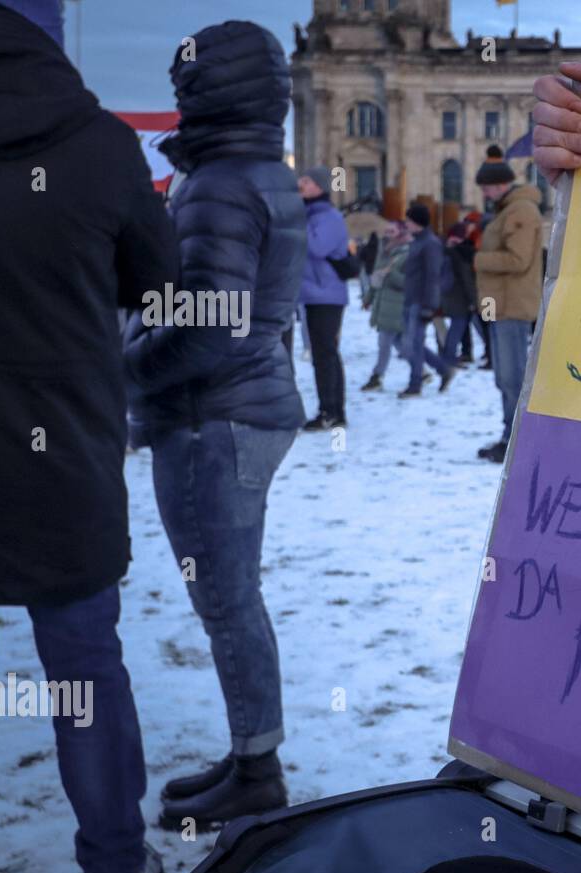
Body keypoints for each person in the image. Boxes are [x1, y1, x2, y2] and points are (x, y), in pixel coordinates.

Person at [0, 0, 176, 873]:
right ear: (52, 33)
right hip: (61, 459)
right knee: (85, 674)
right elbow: (159, 284)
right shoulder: (101, 143)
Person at [124, 19, 306, 831]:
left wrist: (123, 370)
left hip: (214, 417)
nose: (178, 96)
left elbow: (210, 324)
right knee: (234, 598)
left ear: (209, 90)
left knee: (228, 601)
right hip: (246, 404)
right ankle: (248, 754)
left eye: (185, 83)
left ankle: (257, 771)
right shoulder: (259, 169)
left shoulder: (222, 181)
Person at [473, 161, 544, 463]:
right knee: (504, 377)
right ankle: (509, 436)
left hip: (512, 306)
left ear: (501, 184)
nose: (485, 194)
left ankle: (517, 442)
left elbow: (518, 260)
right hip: (500, 305)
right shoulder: (507, 210)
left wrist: (477, 258)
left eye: (487, 187)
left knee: (512, 378)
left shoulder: (521, 211)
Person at [298, 165, 350, 430]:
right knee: (323, 354)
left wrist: (298, 223)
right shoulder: (312, 214)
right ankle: (331, 409)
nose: (301, 184)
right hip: (314, 293)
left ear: (319, 186)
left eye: (305, 181)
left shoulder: (328, 216)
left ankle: (332, 411)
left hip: (326, 294)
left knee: (326, 354)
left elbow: (318, 248)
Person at [400, 202, 455, 398]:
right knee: (412, 344)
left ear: (417, 222)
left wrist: (429, 306)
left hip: (420, 302)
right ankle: (443, 370)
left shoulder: (430, 243)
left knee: (413, 344)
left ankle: (415, 384)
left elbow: (433, 276)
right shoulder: (417, 241)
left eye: (408, 220)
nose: (406, 224)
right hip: (410, 299)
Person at [361, 220, 412, 391]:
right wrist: (368, 298)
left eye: (392, 231)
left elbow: (408, 283)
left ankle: (377, 376)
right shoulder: (384, 250)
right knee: (399, 343)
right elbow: (376, 277)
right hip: (384, 303)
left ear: (401, 232)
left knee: (384, 342)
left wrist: (391, 274)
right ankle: (426, 370)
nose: (388, 234)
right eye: (387, 231)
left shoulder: (407, 251)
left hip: (398, 304)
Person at [441, 221, 483, 366]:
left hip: (470, 296)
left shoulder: (447, 249)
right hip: (476, 296)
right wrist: (474, 301)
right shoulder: (465, 250)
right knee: (487, 325)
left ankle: (467, 353)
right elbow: (467, 278)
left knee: (469, 326)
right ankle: (460, 354)